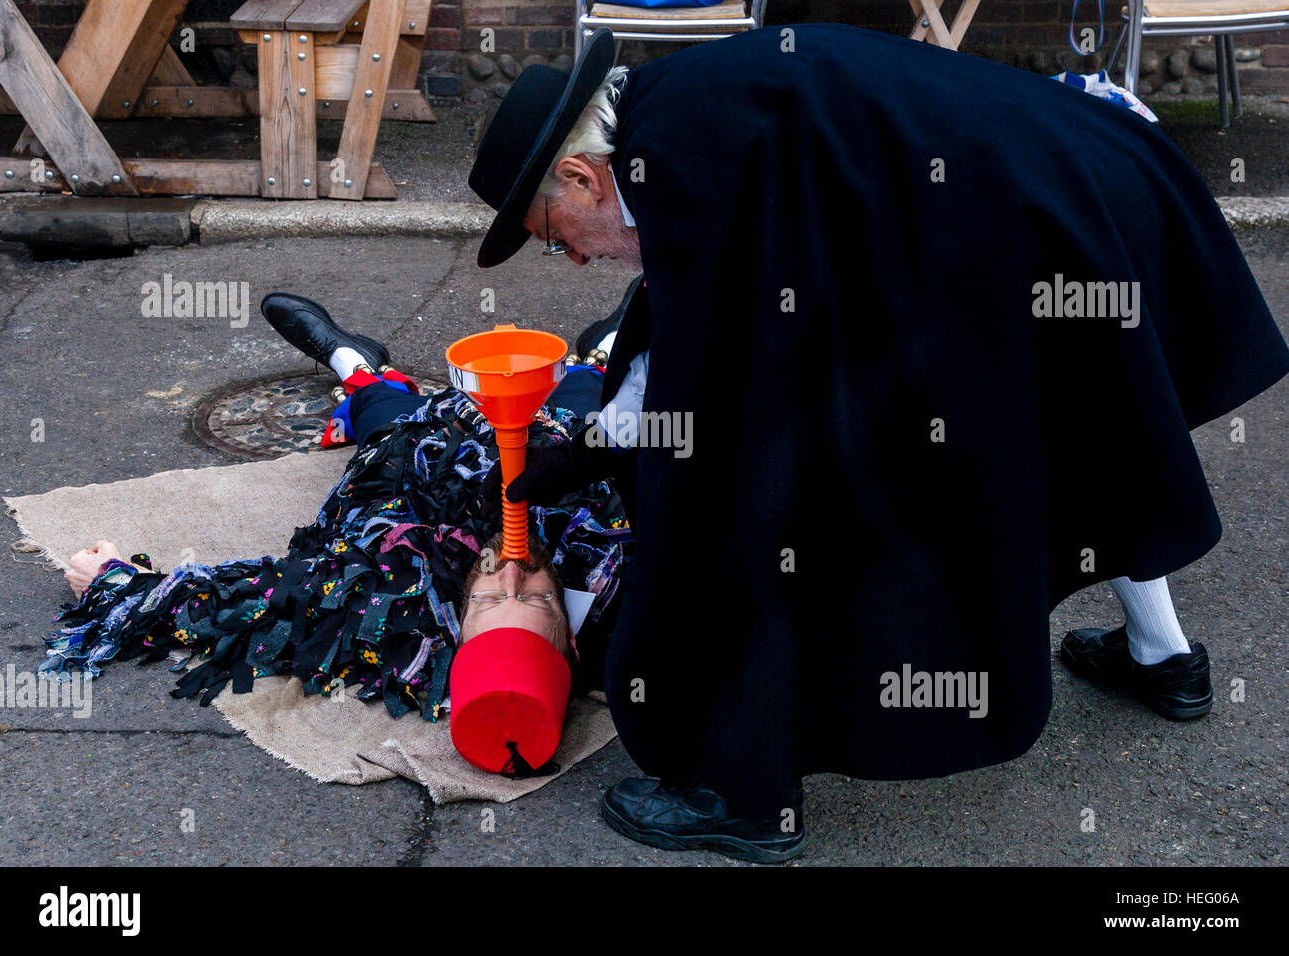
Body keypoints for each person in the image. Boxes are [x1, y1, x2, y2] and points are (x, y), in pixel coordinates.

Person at [468, 25, 1289, 862]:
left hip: (1023, 226)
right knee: (1079, 424)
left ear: (581, 175)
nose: (568, 258)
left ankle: (748, 796)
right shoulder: (675, 116)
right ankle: (1164, 657)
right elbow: (694, 326)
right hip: (1078, 187)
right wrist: (598, 444)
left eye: (550, 232)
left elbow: (712, 396)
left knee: (778, 500)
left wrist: (623, 467)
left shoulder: (686, 161)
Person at [44, 292, 631, 758]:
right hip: (562, 454)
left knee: (386, 423)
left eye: (490, 601)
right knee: (581, 401)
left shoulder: (391, 606)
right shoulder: (615, 580)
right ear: (572, 632)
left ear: (456, 620)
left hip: (408, 466)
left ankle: (354, 363)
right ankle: (604, 351)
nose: (510, 572)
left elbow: (237, 606)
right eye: (535, 599)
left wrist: (113, 582)